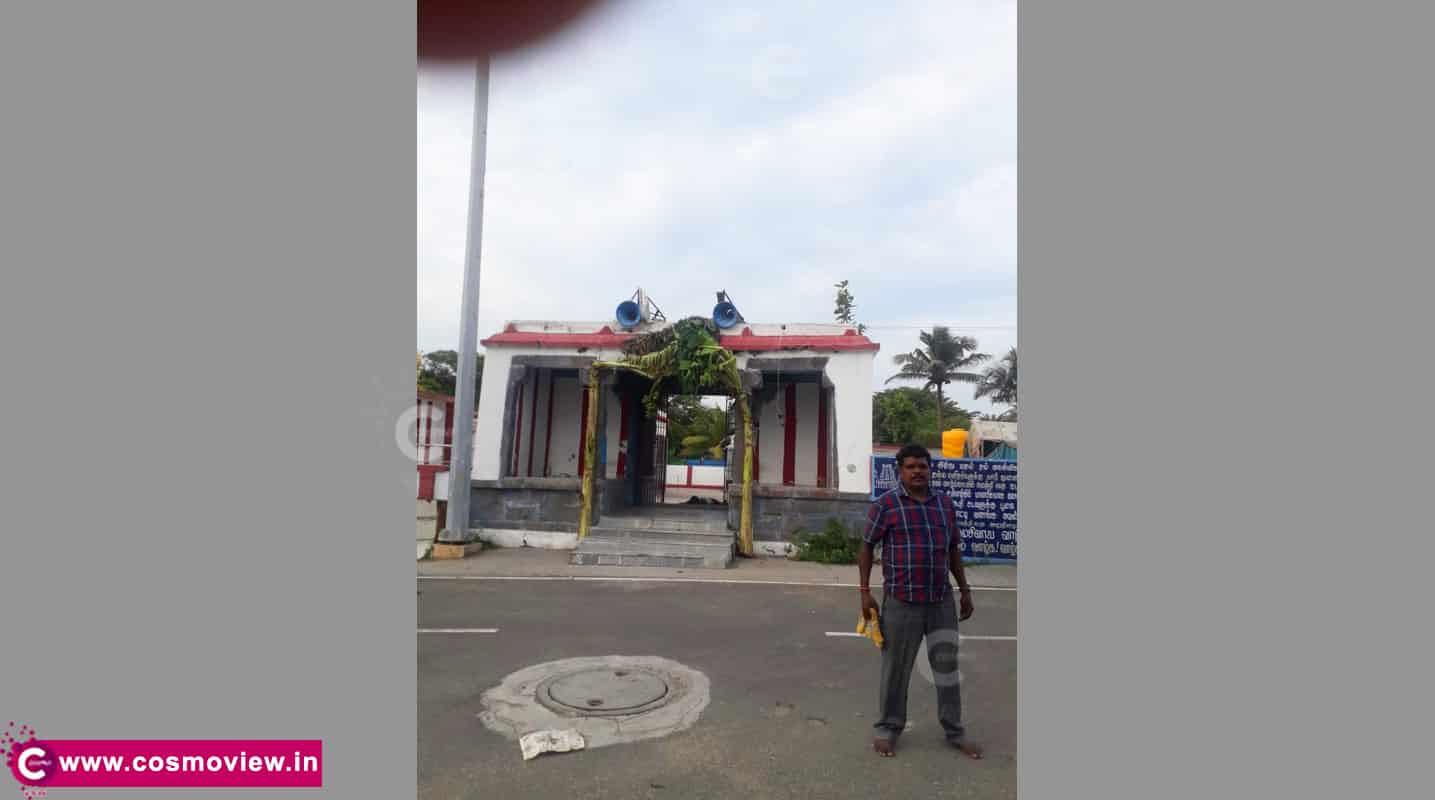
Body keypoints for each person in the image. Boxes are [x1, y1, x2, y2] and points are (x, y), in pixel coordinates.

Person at [858, 443, 983, 759]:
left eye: (922, 466)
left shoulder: (944, 505)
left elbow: (953, 549)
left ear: (930, 469)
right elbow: (866, 546)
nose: (917, 471)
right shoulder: (885, 505)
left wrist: (964, 590)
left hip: (940, 602)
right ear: (899, 470)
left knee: (946, 668)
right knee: (895, 671)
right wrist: (864, 591)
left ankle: (954, 730)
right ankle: (887, 728)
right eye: (911, 466)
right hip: (901, 603)